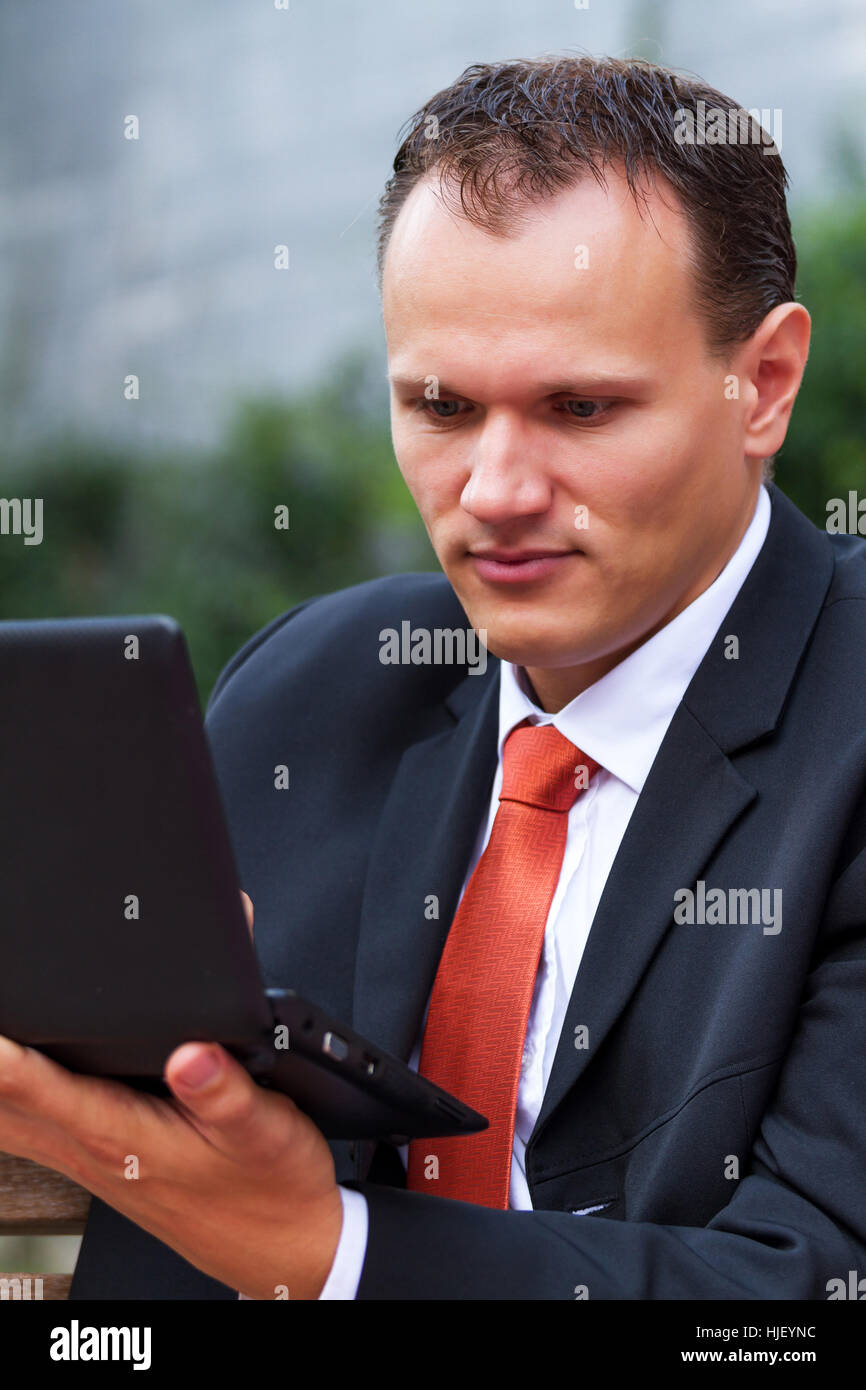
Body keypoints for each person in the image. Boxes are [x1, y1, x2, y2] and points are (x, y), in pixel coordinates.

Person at [4, 54, 865, 1300]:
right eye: (441, 405)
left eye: (579, 408)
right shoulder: (302, 693)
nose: (496, 494)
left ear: (762, 386)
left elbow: (809, 1288)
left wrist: (328, 1255)